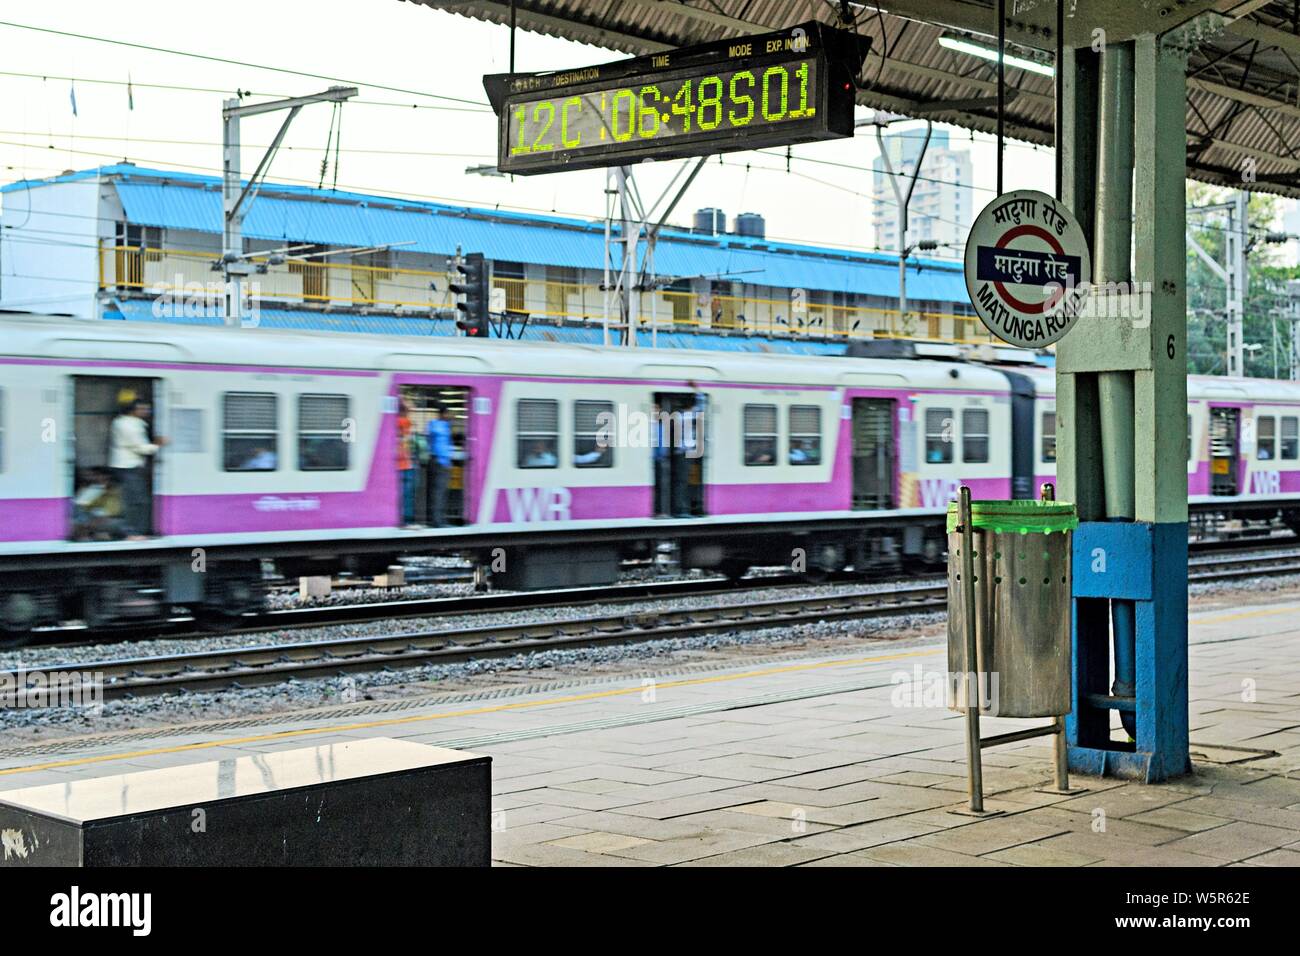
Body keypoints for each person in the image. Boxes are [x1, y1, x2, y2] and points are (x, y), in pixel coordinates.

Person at [110, 400, 167, 540]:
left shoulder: (121, 422)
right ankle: (133, 533)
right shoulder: (131, 426)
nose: (146, 411)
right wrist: (158, 444)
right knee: (138, 502)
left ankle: (132, 531)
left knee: (133, 500)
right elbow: (142, 448)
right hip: (129, 467)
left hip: (124, 467)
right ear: (132, 410)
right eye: (142, 408)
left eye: (147, 408)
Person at [425, 404, 454, 527]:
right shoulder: (436, 425)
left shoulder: (444, 425)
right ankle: (437, 520)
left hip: (443, 462)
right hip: (439, 462)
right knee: (438, 492)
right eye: (448, 413)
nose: (449, 416)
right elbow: (430, 439)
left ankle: (439, 519)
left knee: (440, 492)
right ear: (443, 413)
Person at [397, 399, 418, 527]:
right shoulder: (405, 422)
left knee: (403, 494)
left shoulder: (396, 422)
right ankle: (407, 519)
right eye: (409, 410)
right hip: (406, 463)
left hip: (401, 463)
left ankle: (404, 519)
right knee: (407, 495)